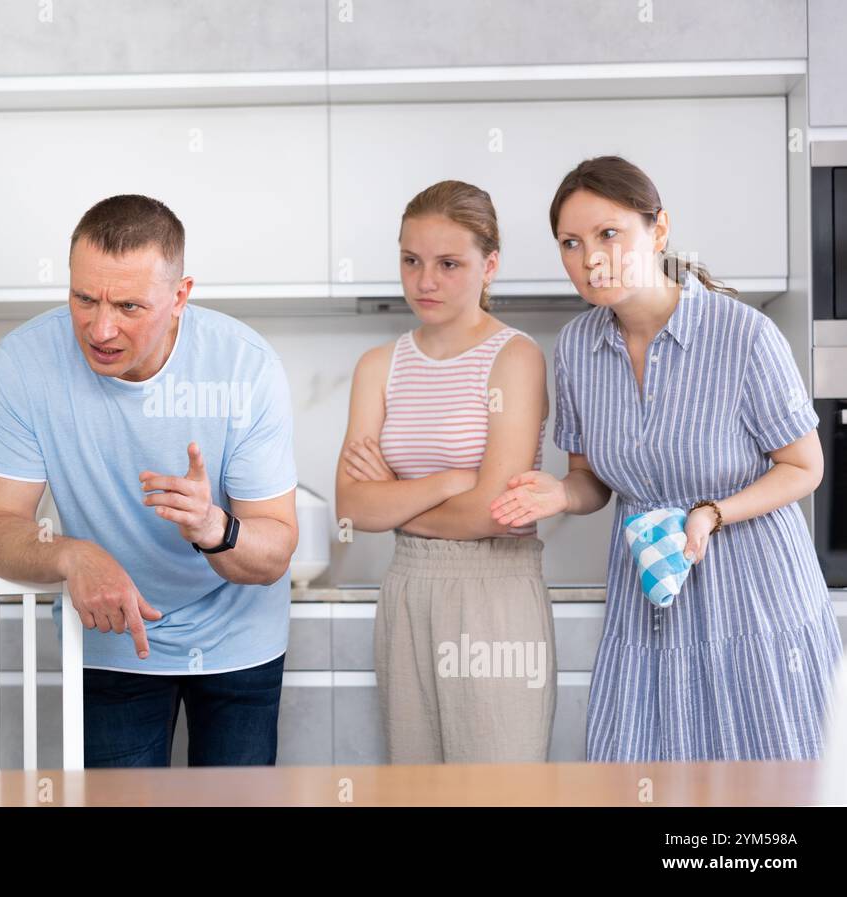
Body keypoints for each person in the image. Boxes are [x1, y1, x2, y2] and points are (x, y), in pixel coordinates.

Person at [490, 155, 843, 761]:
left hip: (755, 592)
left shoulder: (744, 336)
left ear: (658, 230)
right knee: (638, 771)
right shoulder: (577, 348)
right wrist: (561, 493)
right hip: (650, 597)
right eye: (570, 243)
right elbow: (589, 480)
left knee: (765, 782)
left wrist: (711, 512)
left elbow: (804, 467)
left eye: (609, 234)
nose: (590, 258)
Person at [0, 194, 299, 768]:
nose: (100, 328)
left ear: (179, 298)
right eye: (83, 298)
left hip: (237, 640)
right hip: (112, 638)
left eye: (128, 305)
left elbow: (272, 554)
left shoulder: (245, 366)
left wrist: (212, 528)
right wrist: (71, 556)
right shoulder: (24, 362)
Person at [336, 180, 554, 763]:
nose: (424, 281)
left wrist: (398, 497)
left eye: (448, 264)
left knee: (498, 795)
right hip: (406, 589)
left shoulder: (515, 357)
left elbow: (496, 513)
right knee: (416, 792)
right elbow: (352, 509)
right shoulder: (379, 366)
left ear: (491, 266)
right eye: (411, 261)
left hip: (495, 595)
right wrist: (448, 483)